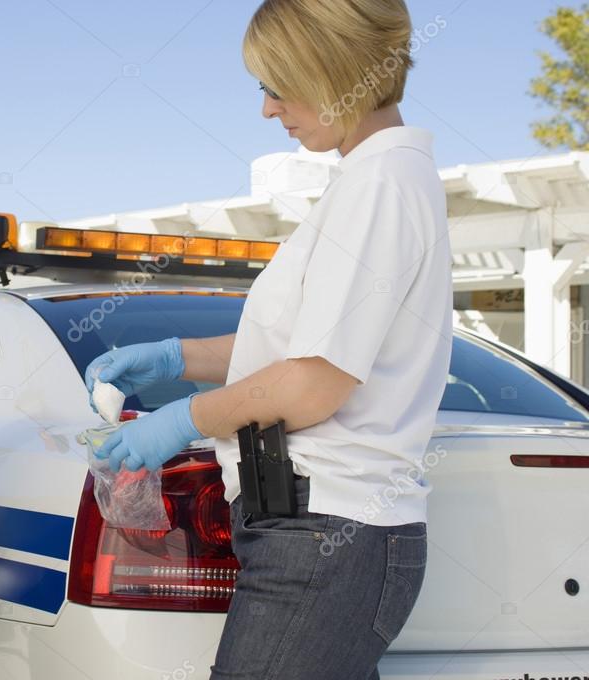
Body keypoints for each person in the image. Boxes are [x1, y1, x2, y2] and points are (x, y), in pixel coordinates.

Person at [84, 1, 451, 678]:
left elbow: (312, 384)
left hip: (325, 534)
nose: (266, 110)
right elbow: (295, 353)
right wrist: (171, 359)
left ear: (330, 69)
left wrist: (179, 420)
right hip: (322, 533)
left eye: (275, 86)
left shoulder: (380, 185)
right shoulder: (373, 182)